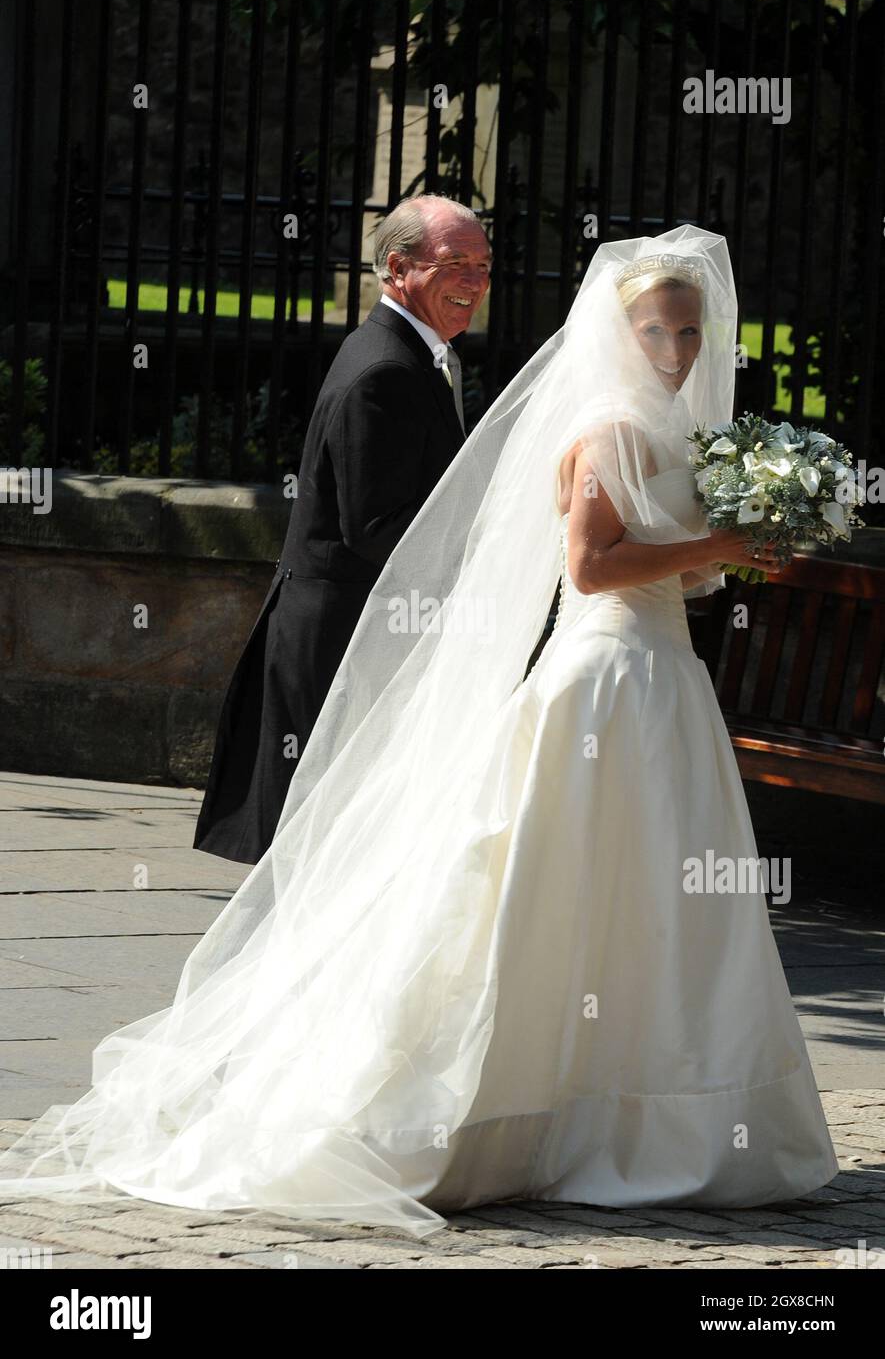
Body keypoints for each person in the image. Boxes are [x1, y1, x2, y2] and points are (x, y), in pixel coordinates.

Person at [0, 225, 838, 1238]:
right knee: (561, 885)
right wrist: (721, 542)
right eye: (658, 329)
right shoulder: (609, 424)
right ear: (621, 332)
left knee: (657, 890)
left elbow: (668, 559)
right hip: (608, 677)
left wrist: (739, 549)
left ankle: (656, 1116)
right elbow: (589, 566)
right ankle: (534, 1115)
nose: (678, 349)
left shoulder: (669, 426)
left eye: (692, 331)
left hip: (664, 676)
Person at [193, 193, 491, 864]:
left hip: (358, 622)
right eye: (455, 264)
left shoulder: (415, 354)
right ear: (397, 268)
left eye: (483, 264)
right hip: (343, 633)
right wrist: (486, 555)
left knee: (335, 840)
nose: (474, 281)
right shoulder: (385, 370)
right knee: (320, 841)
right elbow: (376, 527)